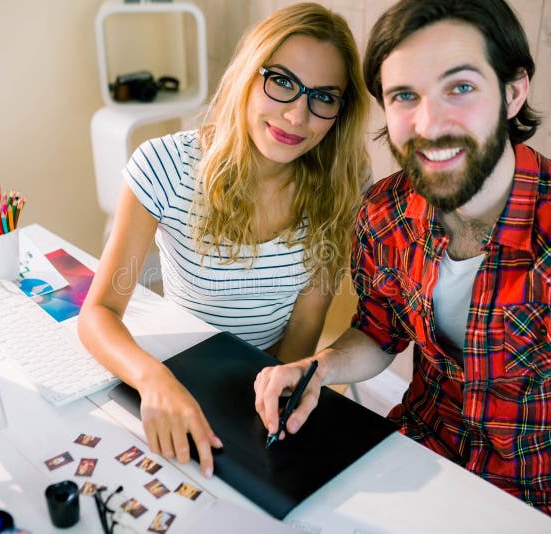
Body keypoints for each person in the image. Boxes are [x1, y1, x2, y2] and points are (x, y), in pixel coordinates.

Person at [254, 0, 551, 531]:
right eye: (405, 96)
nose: (429, 124)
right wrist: (319, 369)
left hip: (547, 504)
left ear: (514, 93)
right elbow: (380, 334)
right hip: (417, 459)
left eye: (460, 87)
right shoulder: (385, 211)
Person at [78, 2, 369, 480]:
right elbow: (98, 314)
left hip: (264, 381)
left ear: (340, 112)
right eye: (282, 82)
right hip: (179, 371)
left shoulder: (342, 185)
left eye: (323, 97)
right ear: (248, 76)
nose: (297, 115)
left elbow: (304, 328)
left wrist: (268, 417)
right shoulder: (164, 166)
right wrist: (154, 380)